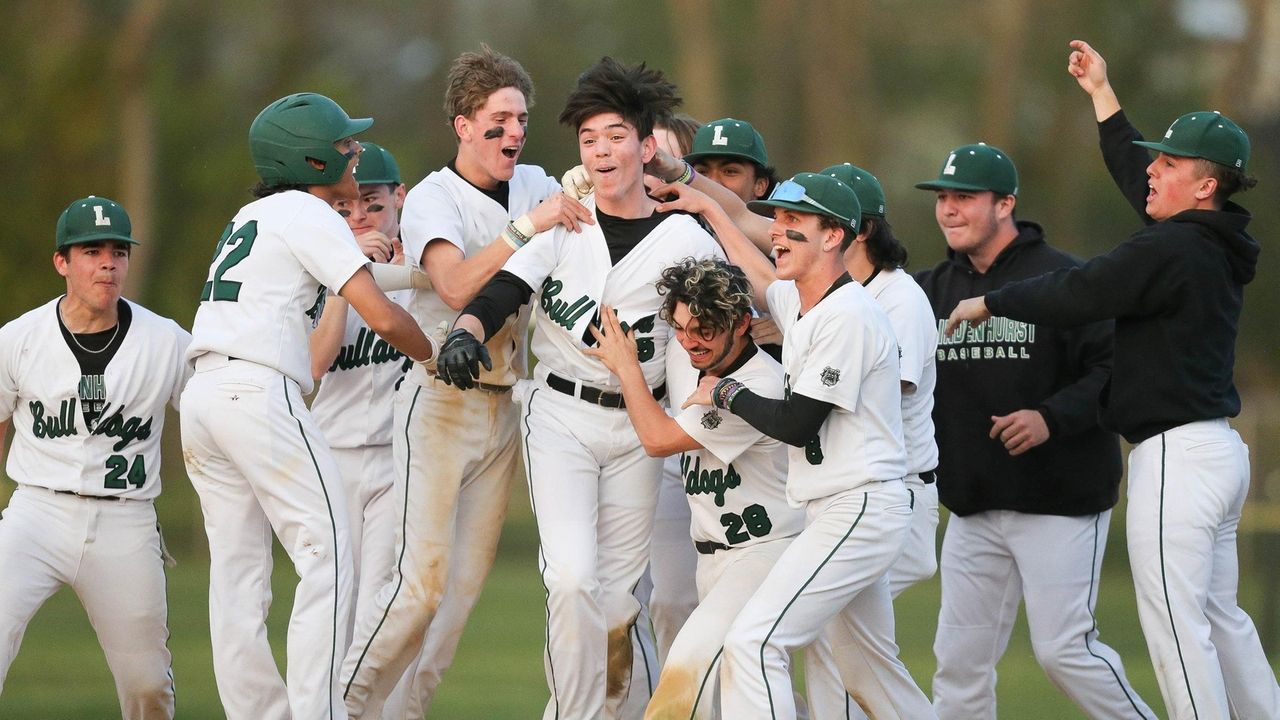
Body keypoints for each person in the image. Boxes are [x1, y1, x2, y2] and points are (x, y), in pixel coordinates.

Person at [947, 40, 1279, 719]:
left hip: (1178, 459)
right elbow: (1143, 186)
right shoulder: (1205, 240)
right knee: (1222, 622)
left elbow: (1083, 290)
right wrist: (1103, 95)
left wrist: (993, 300)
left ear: (1206, 186)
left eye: (1170, 162)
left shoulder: (1174, 247)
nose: (1152, 170)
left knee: (1177, 629)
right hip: (1215, 453)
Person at [438, 56, 723, 719]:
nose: (601, 149)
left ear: (646, 146)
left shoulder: (685, 237)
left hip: (636, 425)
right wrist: (466, 333)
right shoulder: (569, 219)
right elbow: (506, 287)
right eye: (589, 138)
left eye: (616, 135)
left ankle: (598, 687)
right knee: (570, 582)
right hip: (562, 412)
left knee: (617, 601)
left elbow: (719, 325)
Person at [338, 47, 592, 720]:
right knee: (416, 590)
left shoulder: (538, 178)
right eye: (498, 119)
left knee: (455, 606)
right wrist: (530, 224)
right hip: (440, 403)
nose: (514, 132)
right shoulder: (431, 197)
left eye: (521, 119)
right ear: (462, 122)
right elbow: (452, 285)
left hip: (506, 406)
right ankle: (335, 708)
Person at [181, 92, 435, 720]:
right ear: (312, 160)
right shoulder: (309, 211)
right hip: (257, 393)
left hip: (205, 397)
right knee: (330, 549)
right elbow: (378, 313)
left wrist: (434, 278)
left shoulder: (255, 214)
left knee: (238, 577)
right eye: (344, 143)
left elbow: (369, 280)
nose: (353, 151)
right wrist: (436, 351)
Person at [670, 171, 934, 719]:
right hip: (835, 506)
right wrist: (712, 210)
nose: (779, 232)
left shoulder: (850, 315)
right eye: (779, 221)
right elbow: (759, 276)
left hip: (859, 506)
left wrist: (724, 390)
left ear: (834, 236)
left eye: (795, 223)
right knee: (869, 672)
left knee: (754, 641)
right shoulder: (803, 301)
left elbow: (797, 424)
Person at [915, 142, 1154, 719]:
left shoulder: (1065, 278)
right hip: (974, 507)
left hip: (1060, 501)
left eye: (965, 197)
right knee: (958, 662)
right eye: (943, 197)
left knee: (1064, 652)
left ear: (1006, 204)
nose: (949, 209)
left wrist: (1051, 417)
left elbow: (1116, 369)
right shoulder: (928, 291)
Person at [584, 258, 803, 720]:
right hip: (718, 560)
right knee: (742, 693)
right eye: (681, 328)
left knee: (686, 675)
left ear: (743, 323)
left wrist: (628, 368)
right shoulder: (702, 367)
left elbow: (658, 440)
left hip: (761, 555)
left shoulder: (754, 382)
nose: (689, 341)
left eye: (704, 329)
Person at [0, 196, 190, 719]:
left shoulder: (167, 341)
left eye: (117, 251)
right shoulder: (17, 340)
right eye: (91, 250)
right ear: (62, 262)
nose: (107, 262)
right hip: (36, 513)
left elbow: (215, 413)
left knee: (148, 686)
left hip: (125, 520)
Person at [803, 163, 941, 719]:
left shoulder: (898, 297)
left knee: (836, 645)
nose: (797, 229)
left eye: (814, 218)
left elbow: (879, 390)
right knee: (852, 655)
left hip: (896, 493)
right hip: (860, 492)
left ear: (855, 229)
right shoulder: (839, 295)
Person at [683, 117, 777, 204]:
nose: (713, 182)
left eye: (729, 171)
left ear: (760, 186)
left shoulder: (780, 222)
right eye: (702, 172)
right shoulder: (675, 221)